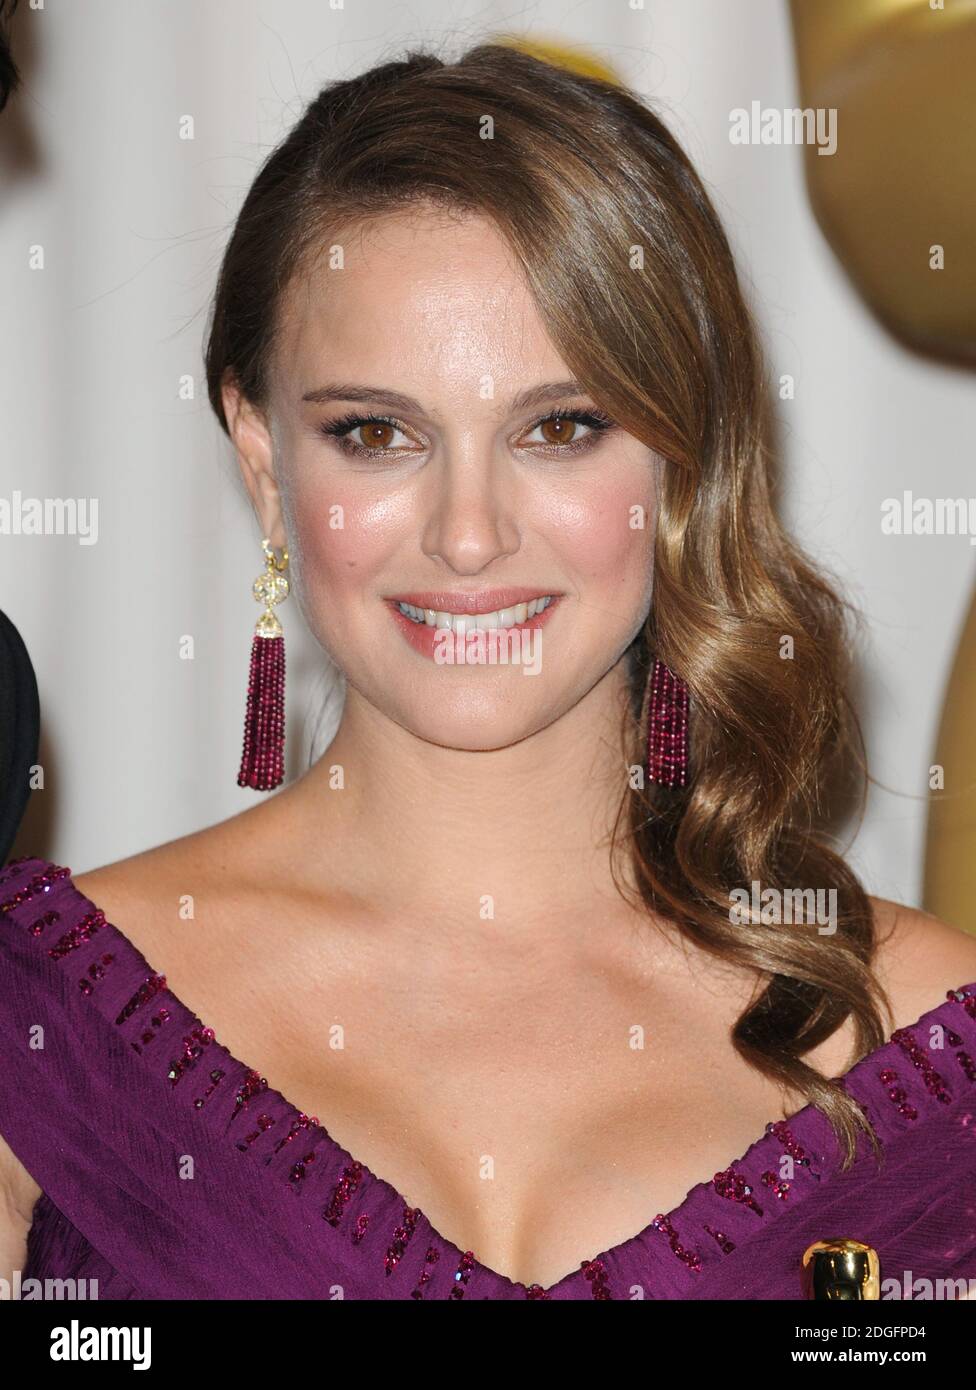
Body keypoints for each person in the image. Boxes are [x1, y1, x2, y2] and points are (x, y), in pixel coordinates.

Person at [2, 42, 975, 1301]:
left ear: (683, 460)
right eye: (375, 433)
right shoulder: (40, 1024)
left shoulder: (929, 1040)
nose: (468, 533)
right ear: (261, 459)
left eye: (559, 428)